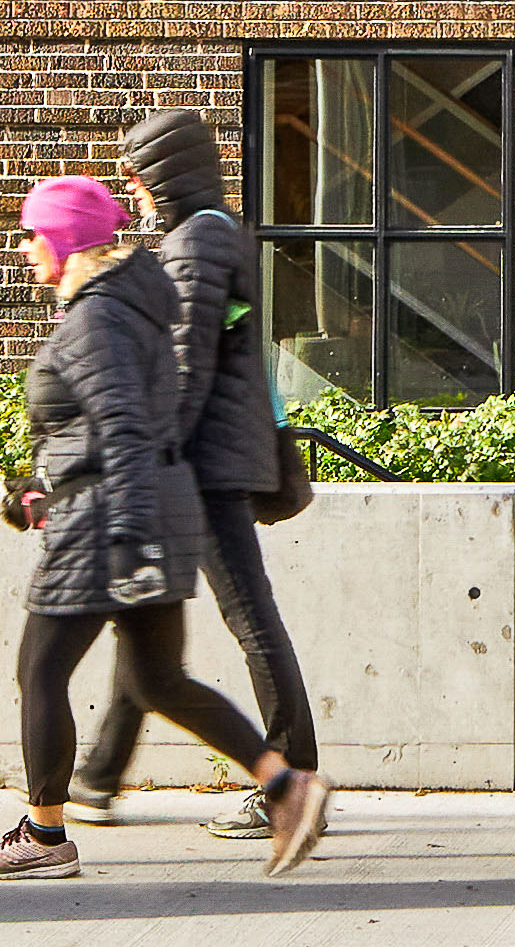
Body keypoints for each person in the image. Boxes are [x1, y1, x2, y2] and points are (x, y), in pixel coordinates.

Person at [0, 173, 324, 881]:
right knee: (161, 682)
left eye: (35, 233)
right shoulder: (129, 304)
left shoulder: (96, 319)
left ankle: (43, 834)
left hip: (108, 529)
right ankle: (286, 786)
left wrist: (124, 540)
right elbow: (113, 429)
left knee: (40, 671)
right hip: (146, 512)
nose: (27, 247)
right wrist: (41, 487)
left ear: (64, 240)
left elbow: (123, 431)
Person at [65, 109, 324, 844]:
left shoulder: (198, 241)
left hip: (202, 468)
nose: (131, 190)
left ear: (164, 173)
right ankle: (98, 776)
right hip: (202, 461)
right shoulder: (211, 232)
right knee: (148, 618)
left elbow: (184, 366)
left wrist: (146, 462)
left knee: (250, 622)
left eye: (136, 174)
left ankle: (292, 778)